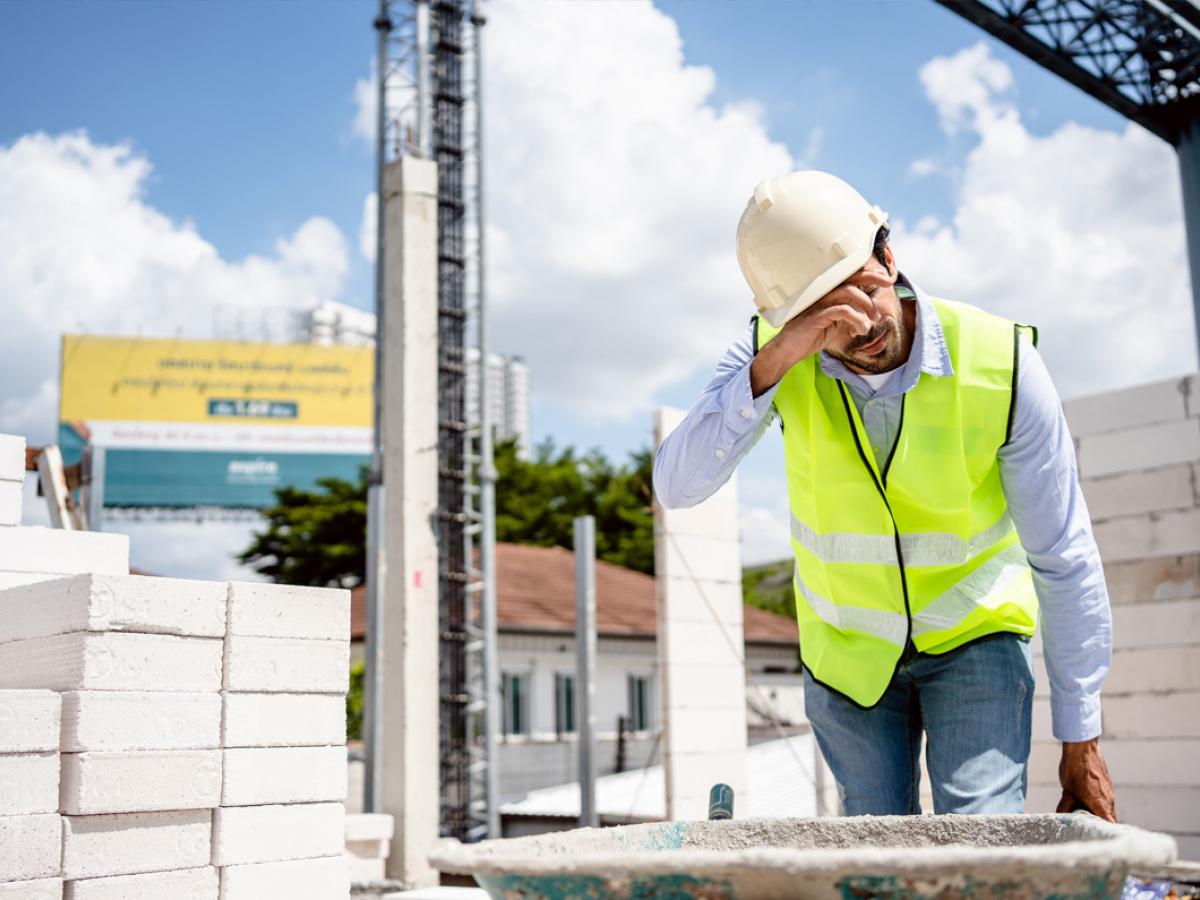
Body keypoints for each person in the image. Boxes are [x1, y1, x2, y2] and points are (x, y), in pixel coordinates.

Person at [653, 171, 1116, 819]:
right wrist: (781, 354)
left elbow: (1063, 555)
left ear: (889, 255)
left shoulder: (1000, 360)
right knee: (873, 859)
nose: (862, 322)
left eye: (867, 288)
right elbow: (677, 486)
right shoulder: (777, 356)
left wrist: (1082, 737)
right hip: (846, 656)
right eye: (826, 313)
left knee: (980, 848)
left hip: (974, 639)